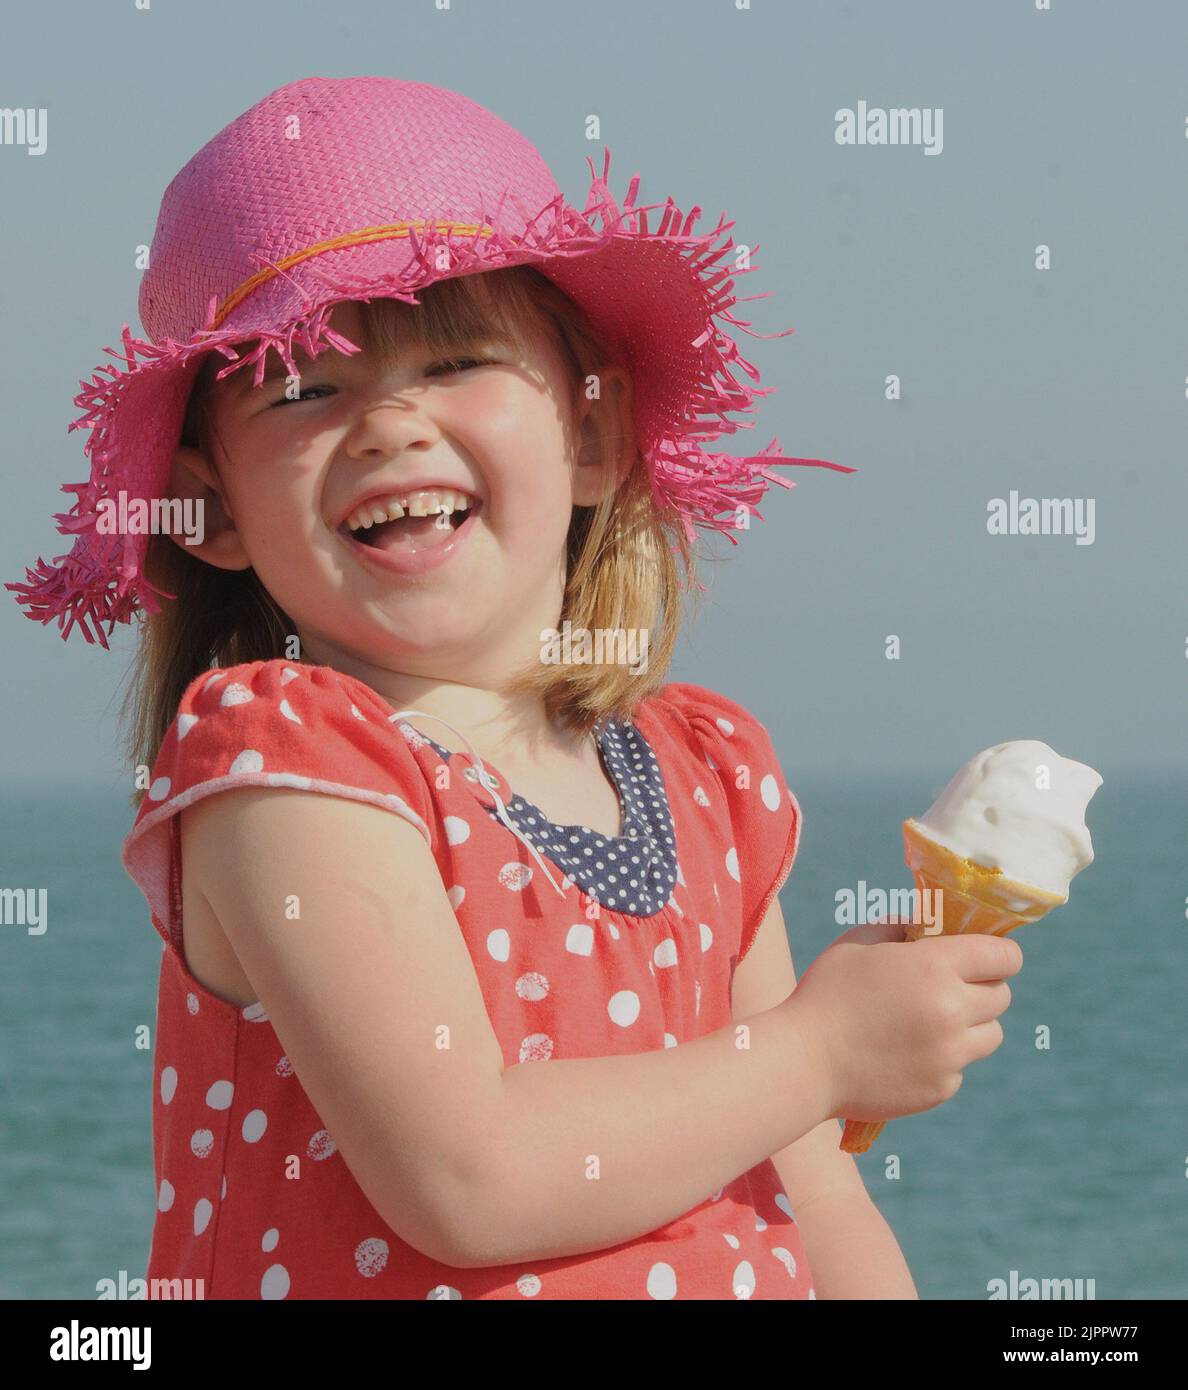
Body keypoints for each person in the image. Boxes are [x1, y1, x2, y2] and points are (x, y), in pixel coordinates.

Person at [9, 76, 1021, 1300]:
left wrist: (810, 1071)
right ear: (213, 505)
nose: (389, 423)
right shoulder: (285, 764)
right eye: (304, 388)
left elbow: (810, 1186)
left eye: (457, 358)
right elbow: (464, 1176)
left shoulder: (711, 772)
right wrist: (820, 1049)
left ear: (593, 434)